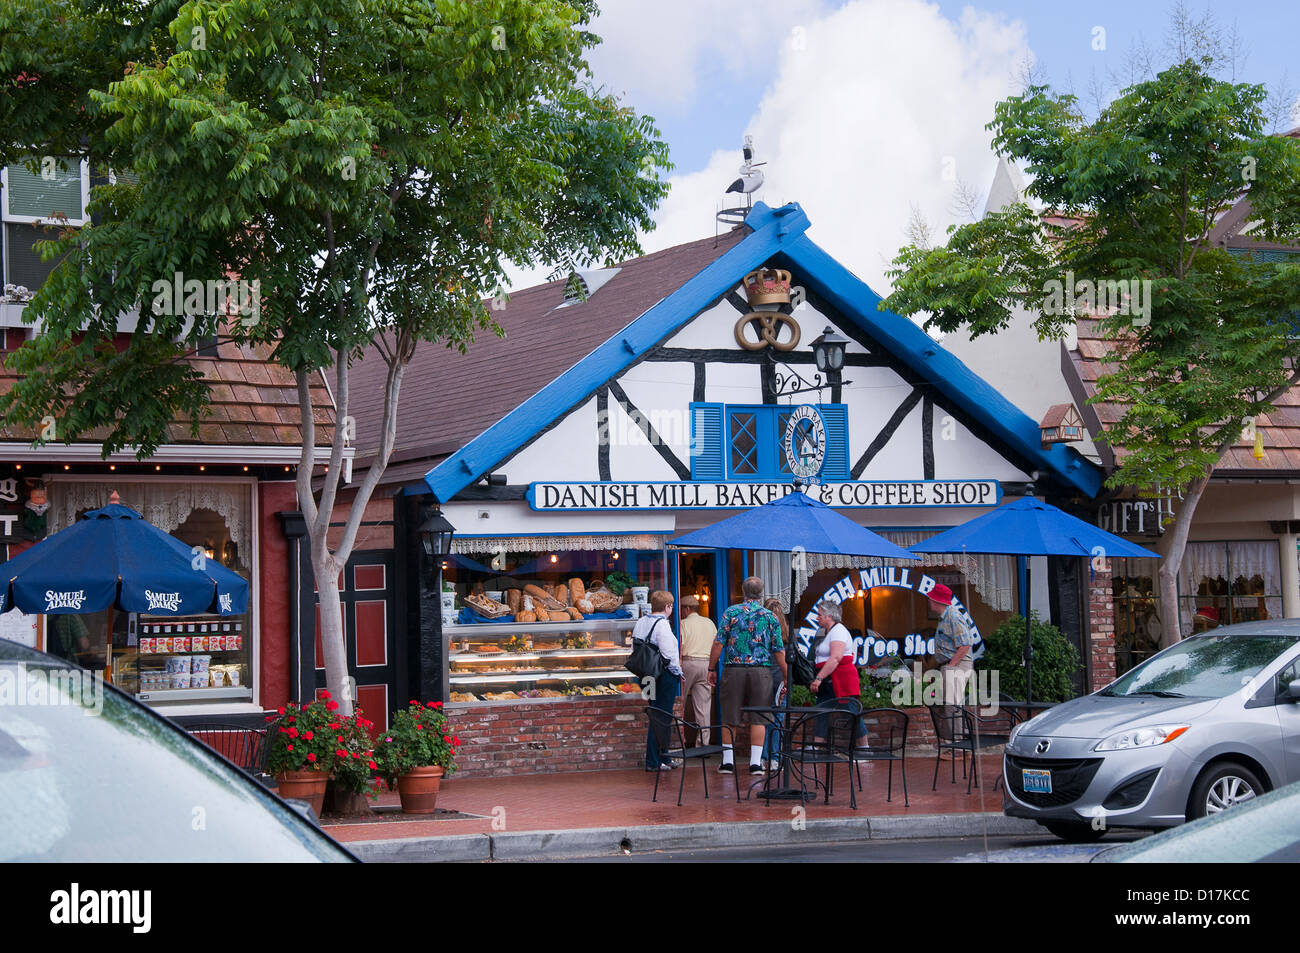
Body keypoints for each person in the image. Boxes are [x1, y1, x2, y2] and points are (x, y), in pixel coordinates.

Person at [708, 576, 788, 775]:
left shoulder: (731, 612)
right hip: (761, 671)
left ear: (743, 592)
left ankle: (727, 762)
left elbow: (719, 643)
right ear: (761, 594)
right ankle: (755, 763)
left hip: (733, 669)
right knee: (759, 716)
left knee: (729, 716)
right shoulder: (770, 617)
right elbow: (779, 650)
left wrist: (711, 668)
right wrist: (787, 676)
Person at [809, 600, 868, 746]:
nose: (817, 618)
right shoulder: (830, 632)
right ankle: (817, 745)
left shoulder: (839, 631)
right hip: (829, 680)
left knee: (851, 712)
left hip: (840, 680)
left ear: (830, 616)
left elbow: (835, 658)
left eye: (820, 615)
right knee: (821, 712)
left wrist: (818, 678)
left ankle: (864, 747)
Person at [637, 590, 683, 772]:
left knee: (656, 713)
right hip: (663, 676)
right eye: (671, 606)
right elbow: (668, 653)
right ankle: (653, 761)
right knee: (661, 716)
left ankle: (664, 756)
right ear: (667, 607)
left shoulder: (641, 622)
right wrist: (678, 672)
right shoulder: (662, 624)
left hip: (646, 675)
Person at [928, 583, 975, 739]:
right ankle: (960, 741)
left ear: (937, 600)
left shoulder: (953, 616)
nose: (929, 600)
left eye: (931, 598)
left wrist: (951, 666)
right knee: (951, 704)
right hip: (954, 664)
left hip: (958, 664)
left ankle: (958, 745)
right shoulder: (946, 617)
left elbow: (965, 644)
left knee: (952, 705)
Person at [678, 595, 716, 747]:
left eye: (681, 609)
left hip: (688, 663)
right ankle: (703, 744)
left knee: (680, 702)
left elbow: (679, 647)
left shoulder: (683, 624)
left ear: (686, 609)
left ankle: (680, 742)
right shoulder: (709, 623)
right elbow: (716, 644)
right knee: (703, 707)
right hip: (706, 664)